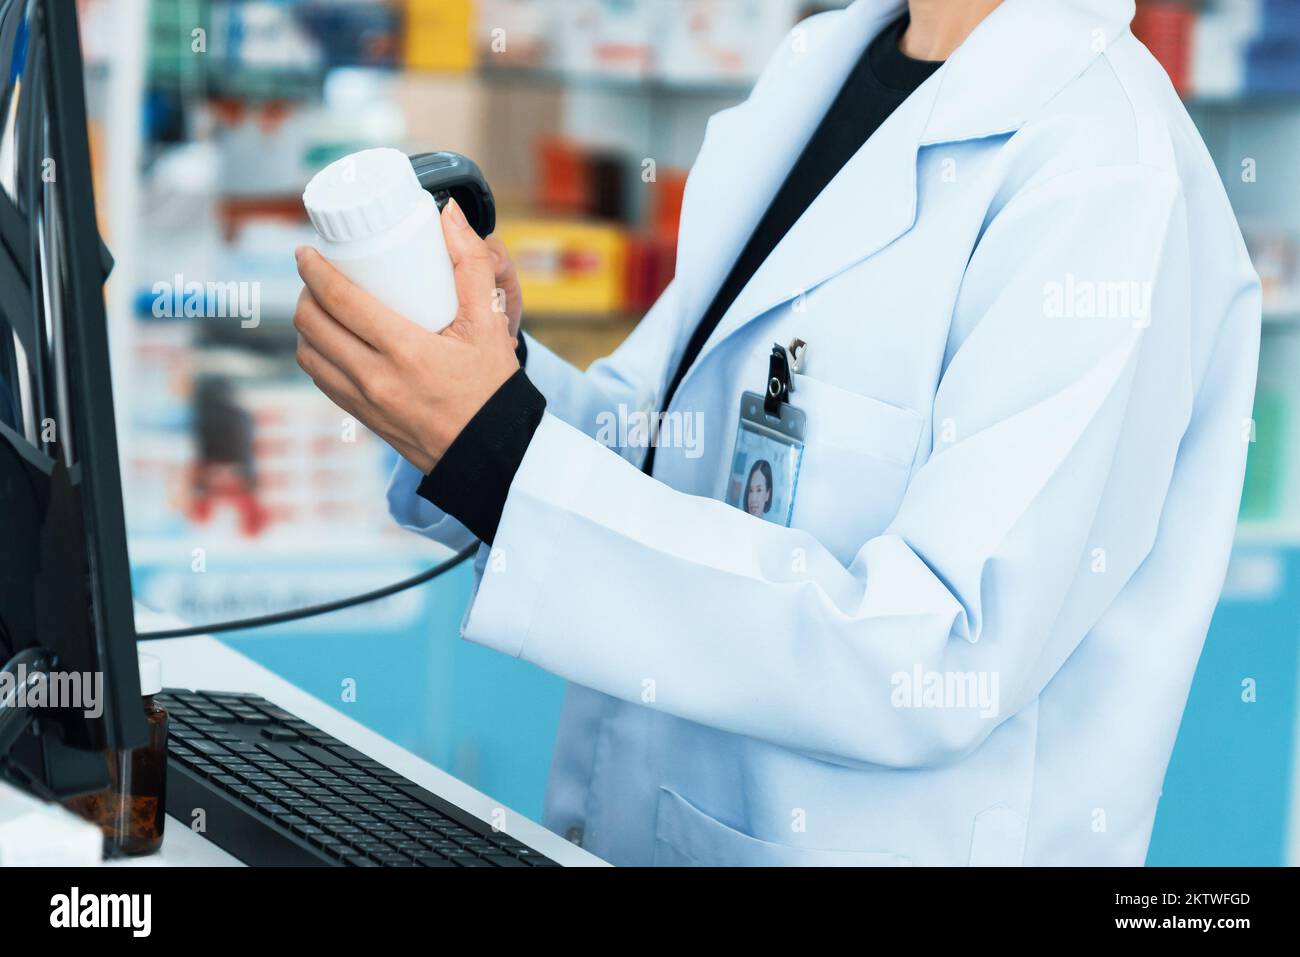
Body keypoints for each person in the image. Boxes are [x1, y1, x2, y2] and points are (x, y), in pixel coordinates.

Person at [292, 0, 1261, 866]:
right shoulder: (826, 66)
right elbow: (657, 445)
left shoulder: (1102, 168)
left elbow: (941, 657)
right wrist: (478, 374)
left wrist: (501, 457)